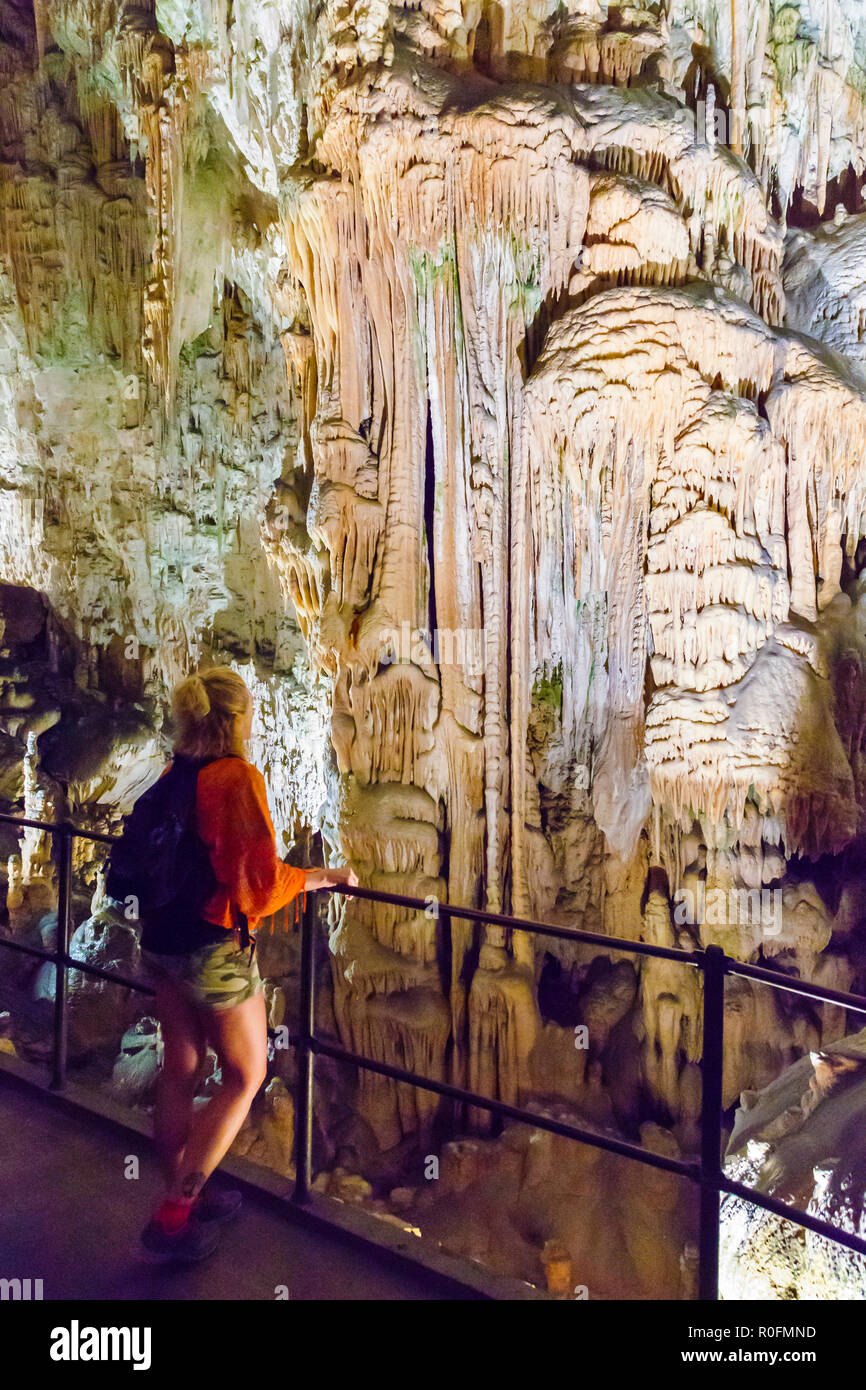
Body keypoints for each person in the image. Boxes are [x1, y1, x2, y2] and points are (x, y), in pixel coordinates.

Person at [138, 666, 357, 1261]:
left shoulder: (174, 772)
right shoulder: (234, 778)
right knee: (245, 1076)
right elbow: (258, 886)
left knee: (181, 1069)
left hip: (160, 941)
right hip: (211, 950)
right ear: (235, 720)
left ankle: (183, 1193)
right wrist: (317, 877)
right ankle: (173, 1217)